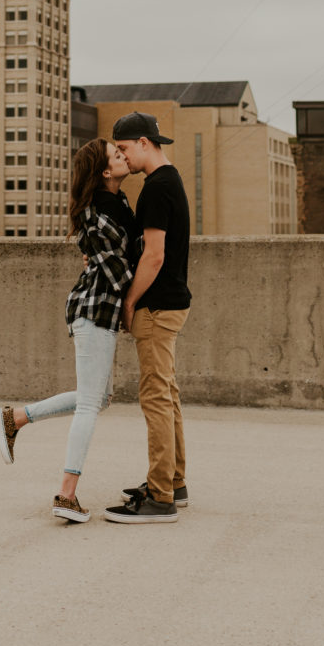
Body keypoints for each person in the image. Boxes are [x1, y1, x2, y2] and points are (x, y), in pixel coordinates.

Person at [0, 138, 137, 523]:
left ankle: (17, 418)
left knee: (98, 399)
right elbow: (118, 270)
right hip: (93, 310)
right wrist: (147, 293)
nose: (124, 156)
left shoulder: (118, 203)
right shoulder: (97, 212)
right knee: (91, 404)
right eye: (117, 154)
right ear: (105, 170)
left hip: (101, 313)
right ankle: (66, 493)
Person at [103, 112, 192, 525]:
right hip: (171, 302)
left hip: (156, 306)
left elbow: (153, 256)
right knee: (167, 395)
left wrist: (129, 302)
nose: (122, 156)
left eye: (122, 149)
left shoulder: (157, 187)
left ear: (143, 142)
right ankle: (173, 482)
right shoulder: (168, 180)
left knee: (155, 398)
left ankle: (160, 498)